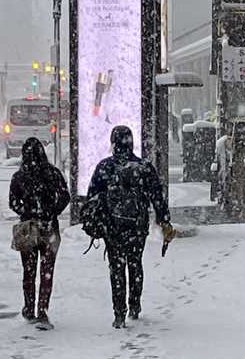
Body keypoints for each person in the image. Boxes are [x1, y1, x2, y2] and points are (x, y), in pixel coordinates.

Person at [88, 125, 173, 329]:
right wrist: (164, 219)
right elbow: (157, 197)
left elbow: (92, 197)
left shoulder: (104, 167)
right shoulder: (143, 167)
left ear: (113, 142)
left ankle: (119, 312)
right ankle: (134, 304)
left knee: (116, 267)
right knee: (135, 263)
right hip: (137, 225)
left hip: (112, 225)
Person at [9, 137, 70, 330]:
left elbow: (13, 202)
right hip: (49, 227)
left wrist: (26, 212)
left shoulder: (19, 176)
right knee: (46, 272)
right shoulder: (52, 173)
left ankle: (29, 307)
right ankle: (43, 309)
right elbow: (65, 196)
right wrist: (51, 211)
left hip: (28, 229)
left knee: (29, 271)